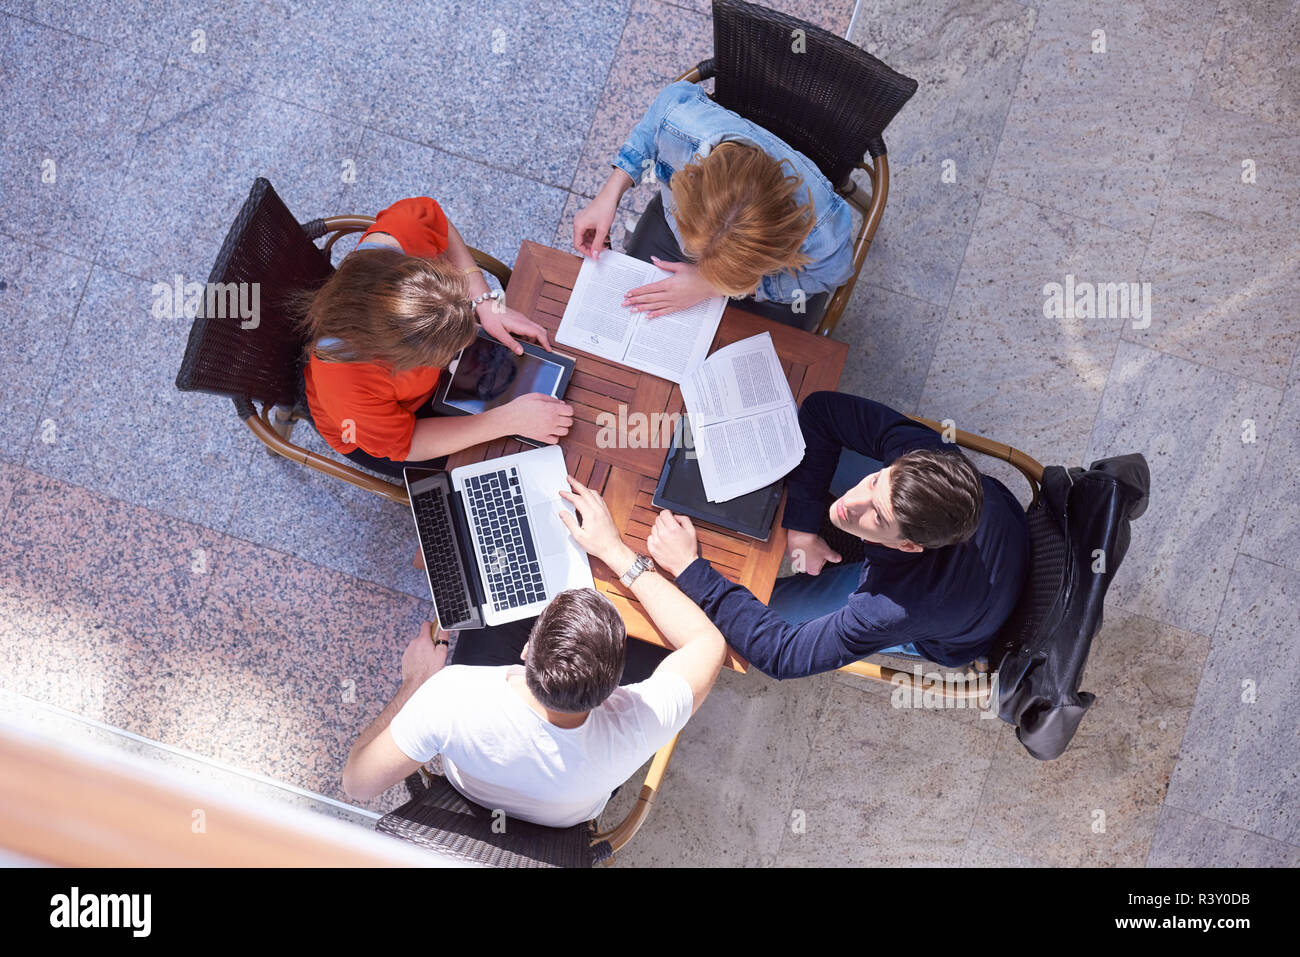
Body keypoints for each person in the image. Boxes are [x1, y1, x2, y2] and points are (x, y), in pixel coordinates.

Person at [342, 476, 727, 828]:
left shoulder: (450, 697)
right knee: (661, 638)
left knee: (493, 595)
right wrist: (615, 551)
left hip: (474, 792)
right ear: (619, 682)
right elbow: (707, 642)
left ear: (528, 648)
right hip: (564, 819)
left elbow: (357, 783)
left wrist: (416, 682)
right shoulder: (637, 723)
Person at [646, 392, 1030, 678]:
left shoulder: (891, 609)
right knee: (792, 438)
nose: (851, 502)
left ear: (909, 545)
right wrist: (802, 525)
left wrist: (689, 567)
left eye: (876, 516)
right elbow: (821, 411)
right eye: (876, 480)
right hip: (999, 540)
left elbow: (783, 654)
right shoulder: (928, 464)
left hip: (958, 623)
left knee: (759, 610)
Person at [299, 197, 573, 478]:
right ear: (399, 361)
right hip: (395, 431)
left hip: (420, 390)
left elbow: (437, 222)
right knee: (501, 472)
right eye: (448, 353)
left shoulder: (401, 234)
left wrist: (482, 300)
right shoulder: (346, 388)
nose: (468, 345)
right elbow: (408, 443)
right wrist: (506, 421)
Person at [572, 80, 854, 330]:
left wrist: (712, 286)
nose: (695, 258)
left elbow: (832, 275)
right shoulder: (679, 120)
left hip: (768, 282)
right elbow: (661, 110)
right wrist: (611, 191)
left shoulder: (822, 227)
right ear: (691, 184)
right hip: (688, 234)